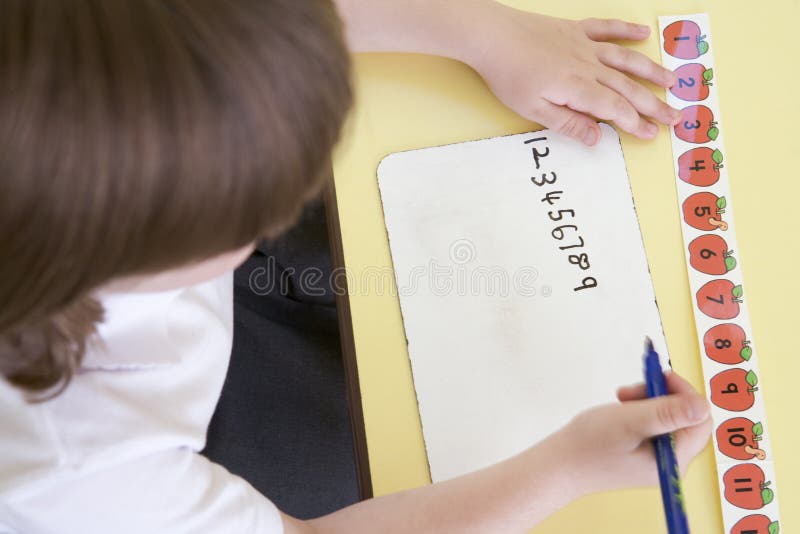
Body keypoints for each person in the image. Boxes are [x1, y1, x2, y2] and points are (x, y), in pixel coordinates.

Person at [0, 1, 712, 532]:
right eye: (263, 208)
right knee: (371, 462)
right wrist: (564, 471)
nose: (295, 196)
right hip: (190, 448)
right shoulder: (77, 470)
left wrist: (482, 31)